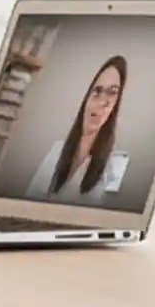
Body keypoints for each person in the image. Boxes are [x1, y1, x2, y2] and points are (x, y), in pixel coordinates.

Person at [25, 55, 129, 202]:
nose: (101, 102)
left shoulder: (114, 165)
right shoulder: (57, 149)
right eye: (97, 91)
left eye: (112, 93)